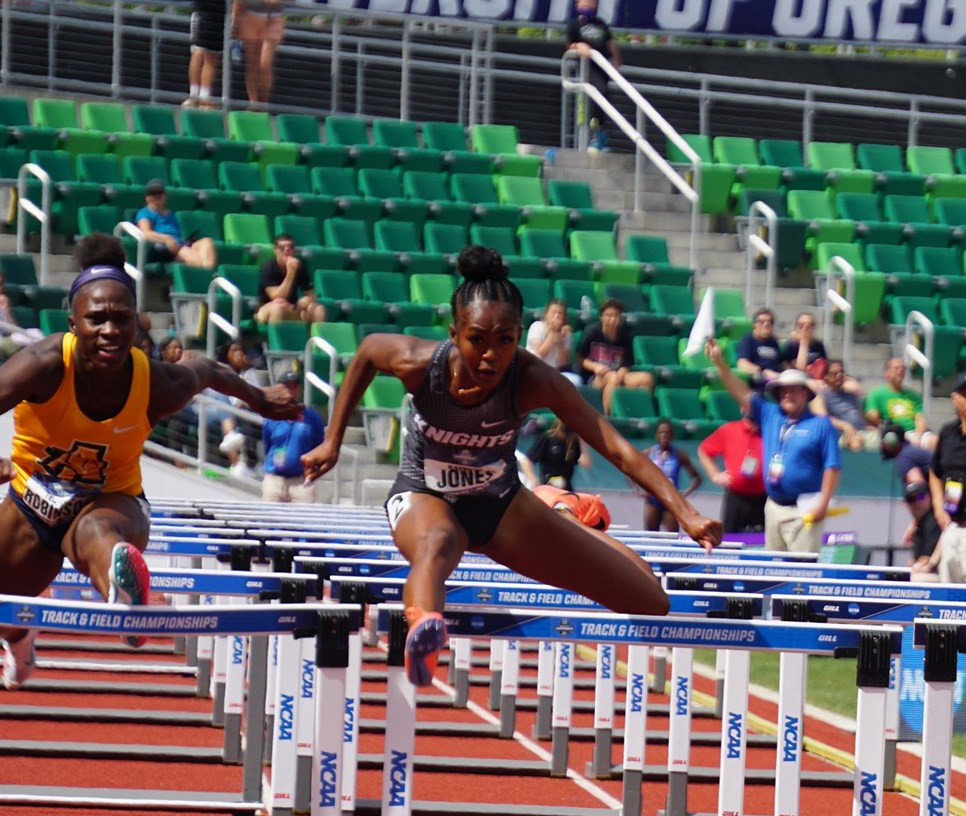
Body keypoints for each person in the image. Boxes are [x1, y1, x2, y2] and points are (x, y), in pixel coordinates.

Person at [298, 246, 721, 685]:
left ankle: (558, 509)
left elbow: (617, 448)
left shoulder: (533, 379)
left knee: (649, 599)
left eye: (505, 341)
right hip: (425, 494)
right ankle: (424, 625)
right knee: (437, 543)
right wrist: (332, 439)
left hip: (502, 507)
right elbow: (367, 351)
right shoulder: (421, 364)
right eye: (477, 339)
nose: (490, 356)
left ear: (519, 335)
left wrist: (685, 512)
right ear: (454, 333)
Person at [0, 237, 300, 685]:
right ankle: (18, 628)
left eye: (121, 319)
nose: (109, 330)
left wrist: (259, 399)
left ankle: (124, 596)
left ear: (136, 325)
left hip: (113, 502)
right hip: (30, 504)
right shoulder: (46, 363)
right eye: (96, 319)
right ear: (73, 323)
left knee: (94, 530)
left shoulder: (154, 382)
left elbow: (208, 370)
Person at [703, 351, 840, 554]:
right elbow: (739, 391)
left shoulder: (820, 425)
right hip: (773, 507)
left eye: (794, 390)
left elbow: (832, 467)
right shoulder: (771, 414)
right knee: (773, 569)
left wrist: (823, 504)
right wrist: (720, 364)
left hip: (804, 509)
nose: (788, 395)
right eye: (783, 391)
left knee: (802, 570)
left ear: (804, 394)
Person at [929, 369, 966, 584]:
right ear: (954, 399)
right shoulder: (948, 432)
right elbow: (935, 471)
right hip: (952, 522)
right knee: (947, 584)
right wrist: (937, 506)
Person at [697, 403, 767, 536]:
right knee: (730, 539)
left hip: (762, 498)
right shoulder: (729, 430)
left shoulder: (769, 432)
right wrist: (714, 474)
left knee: (761, 541)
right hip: (736, 498)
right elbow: (704, 450)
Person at [260, 367, 325, 502]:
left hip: (300, 481)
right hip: (275, 478)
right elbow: (267, 443)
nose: (291, 391)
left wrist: (311, 473)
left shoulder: (312, 417)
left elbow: (319, 447)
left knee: (304, 521)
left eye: (294, 386)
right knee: (268, 520)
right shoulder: (272, 415)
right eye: (287, 387)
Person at [578, 298, 650, 412]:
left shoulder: (625, 335)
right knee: (613, 377)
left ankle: (637, 412)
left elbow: (628, 361)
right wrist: (595, 367)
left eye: (616, 316)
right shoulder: (592, 332)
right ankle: (608, 417)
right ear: (601, 317)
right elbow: (580, 358)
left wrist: (624, 370)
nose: (612, 319)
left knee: (646, 379)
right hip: (595, 377)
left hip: (618, 374)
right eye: (608, 315)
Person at [566, 0, 619, 152]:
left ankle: (600, 134)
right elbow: (569, 45)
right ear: (577, 5)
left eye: (590, 5)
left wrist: (616, 62)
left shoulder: (600, 24)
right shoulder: (574, 25)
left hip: (602, 67)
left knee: (603, 96)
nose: (586, 8)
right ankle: (594, 136)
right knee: (596, 95)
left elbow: (610, 43)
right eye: (584, 5)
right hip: (587, 67)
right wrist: (578, 46)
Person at [133, 180, 217, 270]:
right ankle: (208, 275)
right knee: (192, 255)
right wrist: (166, 239)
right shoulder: (144, 212)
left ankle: (208, 271)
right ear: (147, 197)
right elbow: (146, 233)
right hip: (162, 249)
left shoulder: (170, 214)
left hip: (178, 245)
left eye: (159, 193)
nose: (157, 196)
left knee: (207, 242)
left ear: (165, 196)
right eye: (153, 193)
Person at [639, 419, 702, 532]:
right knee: (651, 536)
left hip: (671, 501)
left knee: (672, 535)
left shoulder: (679, 455)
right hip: (653, 500)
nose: (664, 435)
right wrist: (639, 490)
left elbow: (697, 478)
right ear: (657, 435)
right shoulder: (648, 453)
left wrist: (684, 493)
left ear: (672, 436)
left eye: (667, 432)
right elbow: (630, 471)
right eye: (661, 432)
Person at [254, 234, 326, 325]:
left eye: (290, 248)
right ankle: (275, 338)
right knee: (278, 307)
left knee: (318, 309)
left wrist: (303, 302)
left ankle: (314, 338)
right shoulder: (268, 267)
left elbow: (311, 294)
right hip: (266, 308)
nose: (286, 251)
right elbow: (277, 297)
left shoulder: (299, 266)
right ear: (275, 250)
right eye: (282, 248)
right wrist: (291, 273)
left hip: (291, 307)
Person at [233, 0, 284, 106]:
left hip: (273, 20)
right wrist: (235, 20)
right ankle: (254, 103)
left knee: (265, 64)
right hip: (249, 17)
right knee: (251, 64)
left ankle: (263, 102)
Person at [811, 356, 865, 448]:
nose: (839, 376)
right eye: (835, 373)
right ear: (825, 376)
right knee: (856, 441)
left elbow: (861, 417)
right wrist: (844, 425)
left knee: (889, 438)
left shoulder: (851, 395)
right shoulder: (820, 395)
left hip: (861, 431)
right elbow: (821, 419)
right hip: (839, 434)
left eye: (841, 372)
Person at [865, 355, 925, 435]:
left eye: (903, 368)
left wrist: (918, 437)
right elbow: (872, 415)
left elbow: (920, 420)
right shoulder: (876, 393)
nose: (901, 370)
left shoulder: (914, 396)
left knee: (934, 440)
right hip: (892, 433)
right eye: (897, 368)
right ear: (887, 373)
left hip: (913, 433)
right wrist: (883, 426)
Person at [526, 415, 587, 491]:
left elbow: (586, 463)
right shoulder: (547, 438)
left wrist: (581, 440)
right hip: (548, 485)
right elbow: (527, 460)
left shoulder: (573, 442)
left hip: (566, 488)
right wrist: (533, 479)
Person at [525, 298, 578, 384]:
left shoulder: (566, 333)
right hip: (535, 369)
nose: (557, 316)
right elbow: (540, 353)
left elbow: (563, 363)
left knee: (576, 381)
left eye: (560, 313)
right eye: (553, 313)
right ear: (546, 314)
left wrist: (560, 342)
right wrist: (552, 333)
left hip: (556, 371)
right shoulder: (536, 327)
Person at [185, 0, 226, 108]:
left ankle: (196, 96)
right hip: (212, 14)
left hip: (209, 13)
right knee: (207, 56)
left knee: (200, 53)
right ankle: (202, 98)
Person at [735, 309, 784, 389]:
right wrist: (764, 372)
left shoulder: (774, 342)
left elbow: (782, 363)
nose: (766, 324)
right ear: (754, 324)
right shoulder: (747, 340)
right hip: (759, 381)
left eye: (770, 322)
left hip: (777, 378)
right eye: (762, 322)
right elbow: (742, 364)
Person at [904, 482, 943, 581]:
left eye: (920, 497)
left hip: (943, 575)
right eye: (911, 499)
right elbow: (915, 560)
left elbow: (926, 560)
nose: (916, 502)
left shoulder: (934, 520)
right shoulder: (920, 523)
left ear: (929, 497)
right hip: (929, 572)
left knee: (917, 578)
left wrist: (916, 565)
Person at [780, 311, 828, 377]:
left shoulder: (818, 345)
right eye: (801, 325)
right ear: (796, 327)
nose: (805, 327)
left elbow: (824, 366)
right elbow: (800, 369)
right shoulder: (790, 345)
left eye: (810, 325)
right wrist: (804, 343)